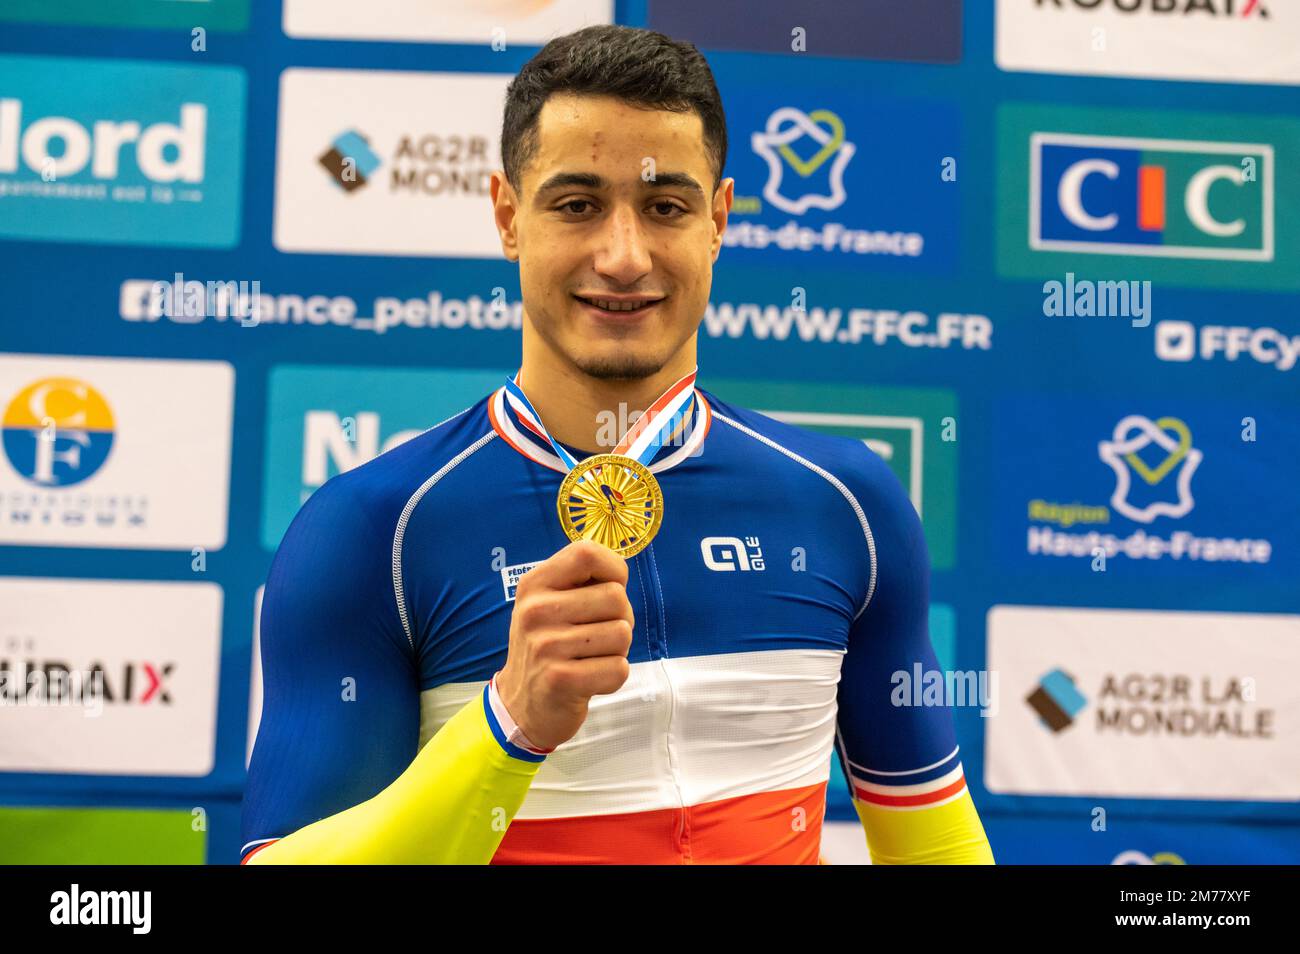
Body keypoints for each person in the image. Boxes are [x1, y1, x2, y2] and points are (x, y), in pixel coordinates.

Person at [240, 24, 993, 865]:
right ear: (507, 217)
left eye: (665, 206)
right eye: (577, 204)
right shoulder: (375, 529)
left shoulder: (849, 505)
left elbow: (939, 852)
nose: (623, 256)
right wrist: (505, 728)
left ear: (718, 220)